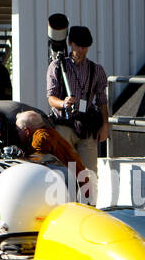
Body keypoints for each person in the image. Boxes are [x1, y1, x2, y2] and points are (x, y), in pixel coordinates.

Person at [46, 25, 109, 198]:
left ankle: (90, 207)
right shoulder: (57, 66)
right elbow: (50, 97)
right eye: (77, 45)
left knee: (89, 175)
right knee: (64, 172)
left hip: (86, 126)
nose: (81, 50)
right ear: (70, 43)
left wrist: (105, 126)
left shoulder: (96, 70)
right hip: (63, 125)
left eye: (85, 46)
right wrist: (63, 102)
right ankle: (63, 205)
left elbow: (102, 100)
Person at [16, 109, 84, 169]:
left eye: (18, 130)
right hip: (73, 176)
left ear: (27, 131)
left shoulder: (41, 138)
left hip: (72, 179)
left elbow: (34, 165)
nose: (17, 133)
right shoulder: (50, 132)